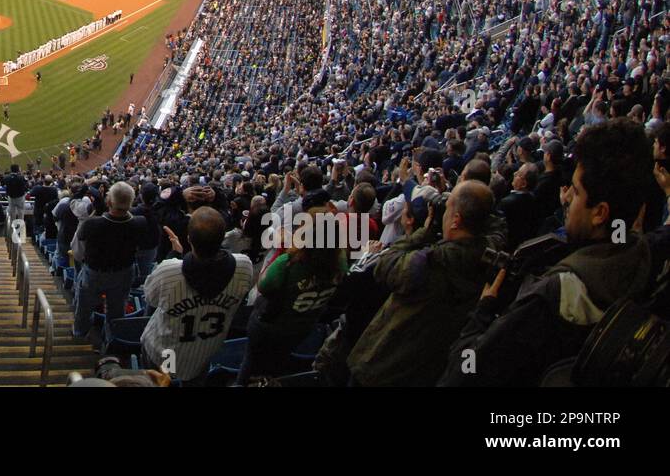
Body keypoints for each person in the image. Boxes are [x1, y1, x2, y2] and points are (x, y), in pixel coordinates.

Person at [441, 119, 656, 386]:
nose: (565, 199)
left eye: (575, 193)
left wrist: (483, 310)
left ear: (600, 213)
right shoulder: (642, 251)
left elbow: (465, 371)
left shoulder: (551, 296)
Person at [346, 181, 494, 386]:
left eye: (448, 207)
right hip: (424, 369)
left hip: (384, 367)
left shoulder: (433, 262)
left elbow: (386, 265)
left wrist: (422, 233)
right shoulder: (489, 256)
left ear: (456, 220)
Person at [140, 207, 254, 381]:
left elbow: (150, 298)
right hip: (203, 353)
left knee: (161, 381)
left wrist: (173, 254)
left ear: (189, 240)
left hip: (163, 352)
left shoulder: (170, 270)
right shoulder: (244, 266)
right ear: (222, 238)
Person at [239, 198, 345, 384]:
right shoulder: (340, 263)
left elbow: (263, 285)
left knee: (250, 362)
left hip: (270, 326)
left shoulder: (287, 263)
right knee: (279, 362)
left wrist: (283, 249)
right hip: (304, 325)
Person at [71, 182, 150, 346]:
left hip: (95, 272)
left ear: (109, 201)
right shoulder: (140, 223)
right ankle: (111, 340)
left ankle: (80, 333)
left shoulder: (92, 224)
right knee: (116, 309)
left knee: (84, 306)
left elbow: (79, 245)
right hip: (124, 271)